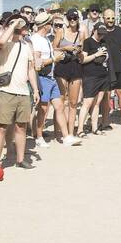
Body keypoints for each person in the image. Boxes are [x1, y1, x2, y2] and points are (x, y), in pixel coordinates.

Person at [0, 15, 39, 166]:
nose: (24, 27)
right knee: (2, 127)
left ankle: (20, 159)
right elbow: (1, 41)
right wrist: (13, 25)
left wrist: (35, 89)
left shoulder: (26, 45)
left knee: (21, 126)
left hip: (23, 92)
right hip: (7, 91)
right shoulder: (5, 44)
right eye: (22, 26)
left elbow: (30, 69)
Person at [31, 13, 64, 146]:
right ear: (45, 25)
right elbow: (37, 63)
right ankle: (39, 136)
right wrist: (54, 59)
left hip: (51, 77)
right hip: (42, 77)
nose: (52, 26)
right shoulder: (37, 39)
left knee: (59, 105)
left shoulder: (44, 39)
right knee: (43, 109)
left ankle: (66, 136)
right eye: (50, 23)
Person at [54, 10, 85, 144]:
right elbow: (53, 48)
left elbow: (82, 51)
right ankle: (59, 131)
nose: (72, 19)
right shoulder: (61, 31)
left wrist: (78, 51)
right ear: (67, 19)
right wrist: (66, 48)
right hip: (62, 66)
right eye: (70, 17)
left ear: (78, 19)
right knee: (62, 101)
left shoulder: (82, 33)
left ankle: (71, 133)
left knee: (73, 103)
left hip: (76, 66)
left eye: (75, 17)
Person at [79, 20, 112, 137]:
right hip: (90, 75)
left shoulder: (104, 42)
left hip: (103, 75)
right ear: (94, 30)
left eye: (103, 33)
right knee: (87, 103)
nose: (101, 35)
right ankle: (80, 130)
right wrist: (96, 55)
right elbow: (82, 60)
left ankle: (95, 127)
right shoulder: (88, 42)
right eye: (99, 33)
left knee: (97, 103)